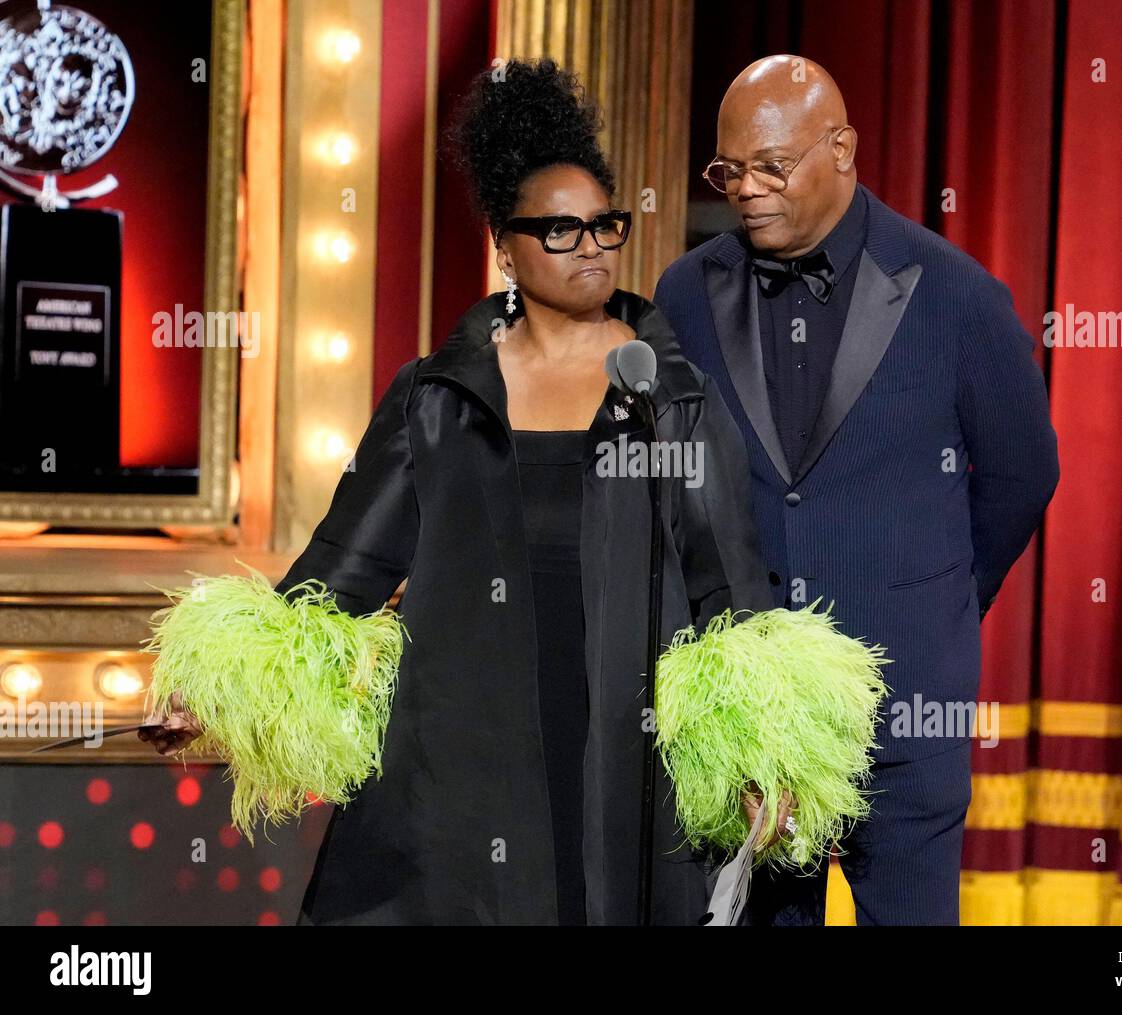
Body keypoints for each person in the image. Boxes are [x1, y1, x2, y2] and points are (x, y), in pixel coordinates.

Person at [140, 59, 846, 926]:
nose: (589, 245)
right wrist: (214, 690)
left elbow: (728, 589)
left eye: (604, 225)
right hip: (459, 763)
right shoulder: (435, 396)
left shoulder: (674, 395)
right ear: (502, 246)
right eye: (558, 230)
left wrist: (763, 757)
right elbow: (341, 573)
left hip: (626, 767)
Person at [653, 55, 1060, 925]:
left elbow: (1024, 473)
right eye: (729, 171)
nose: (747, 190)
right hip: (752, 721)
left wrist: (939, 601)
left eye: (772, 165)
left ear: (842, 148)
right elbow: (673, 488)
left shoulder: (956, 294)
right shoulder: (686, 294)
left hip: (906, 705)